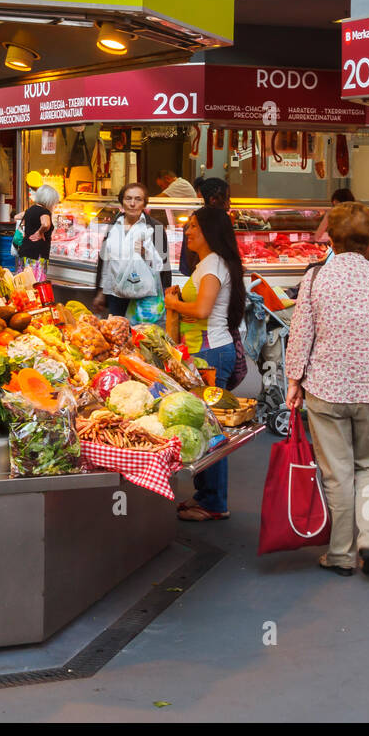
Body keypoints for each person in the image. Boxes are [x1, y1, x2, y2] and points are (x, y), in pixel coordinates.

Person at [285, 203, 369, 576]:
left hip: (326, 388)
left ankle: (340, 553)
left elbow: (301, 334)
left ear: (332, 238)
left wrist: (293, 380)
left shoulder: (315, 277)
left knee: (337, 473)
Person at [164, 207, 245, 521]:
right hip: (202, 353)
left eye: (194, 227)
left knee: (213, 428)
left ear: (209, 231)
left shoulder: (212, 266)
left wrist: (173, 302)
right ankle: (205, 494)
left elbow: (201, 309)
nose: (188, 232)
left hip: (211, 354)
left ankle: (214, 502)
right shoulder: (207, 264)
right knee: (206, 423)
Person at [93, 182, 170, 317]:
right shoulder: (113, 225)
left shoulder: (155, 227)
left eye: (138, 199)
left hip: (143, 297)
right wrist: (101, 292)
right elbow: (106, 261)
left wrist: (145, 253)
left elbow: (162, 267)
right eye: (128, 198)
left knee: (139, 336)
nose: (132, 203)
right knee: (118, 335)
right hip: (116, 296)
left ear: (144, 203)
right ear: (122, 202)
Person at [180, 176, 231, 278]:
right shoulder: (210, 222)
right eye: (227, 197)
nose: (230, 202)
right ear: (213, 200)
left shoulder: (198, 218)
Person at [18, 184, 59, 267]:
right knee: (36, 279)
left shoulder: (30, 210)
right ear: (49, 200)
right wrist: (39, 232)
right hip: (37, 255)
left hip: (24, 251)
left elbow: (16, 217)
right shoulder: (45, 212)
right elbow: (45, 224)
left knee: (24, 278)